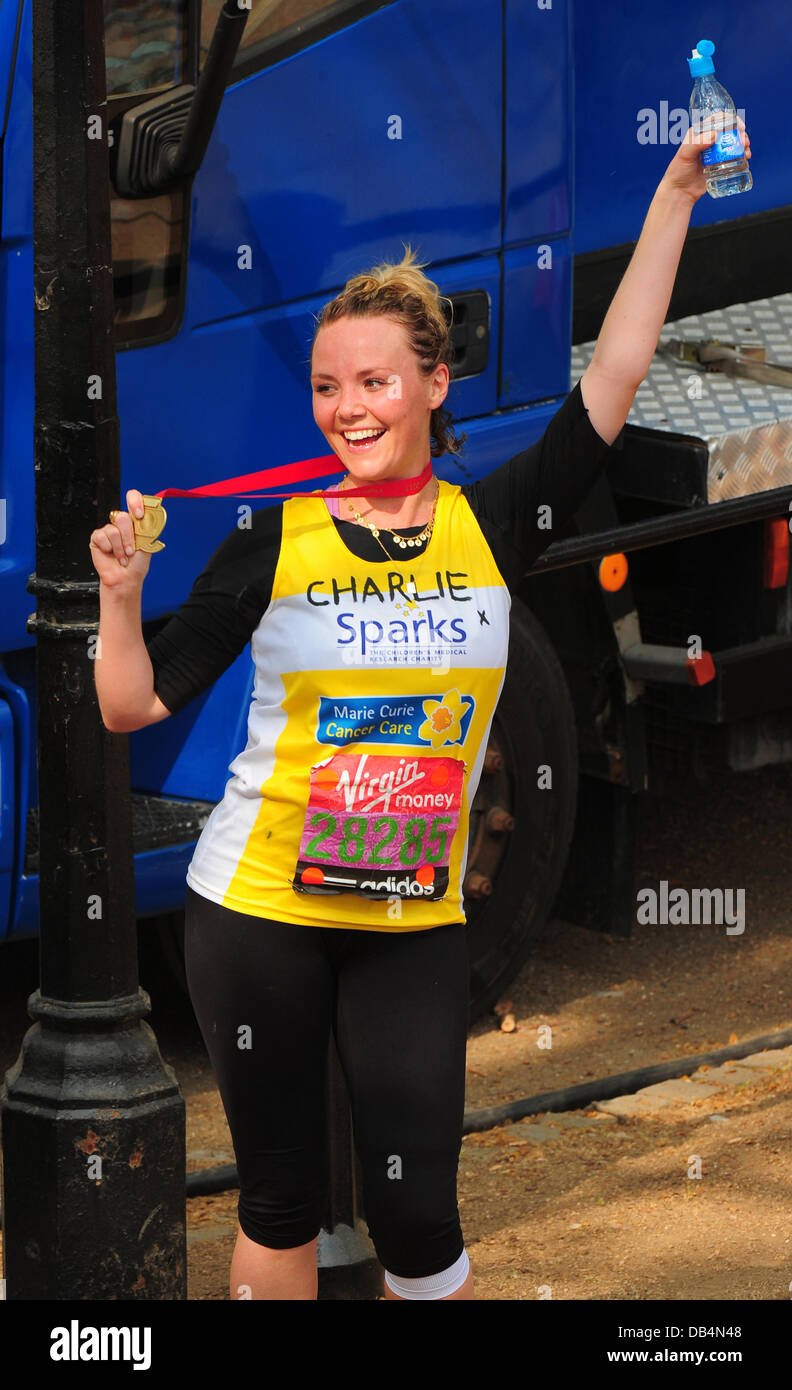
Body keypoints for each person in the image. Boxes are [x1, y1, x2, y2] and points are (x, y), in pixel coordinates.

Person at [89, 121, 750, 1300]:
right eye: (328, 387)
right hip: (256, 912)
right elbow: (131, 703)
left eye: (375, 382)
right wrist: (123, 595)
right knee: (282, 1200)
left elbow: (615, 381)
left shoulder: (489, 527)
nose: (348, 407)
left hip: (407, 916)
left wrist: (672, 198)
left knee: (417, 1214)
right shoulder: (267, 539)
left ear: (435, 386)